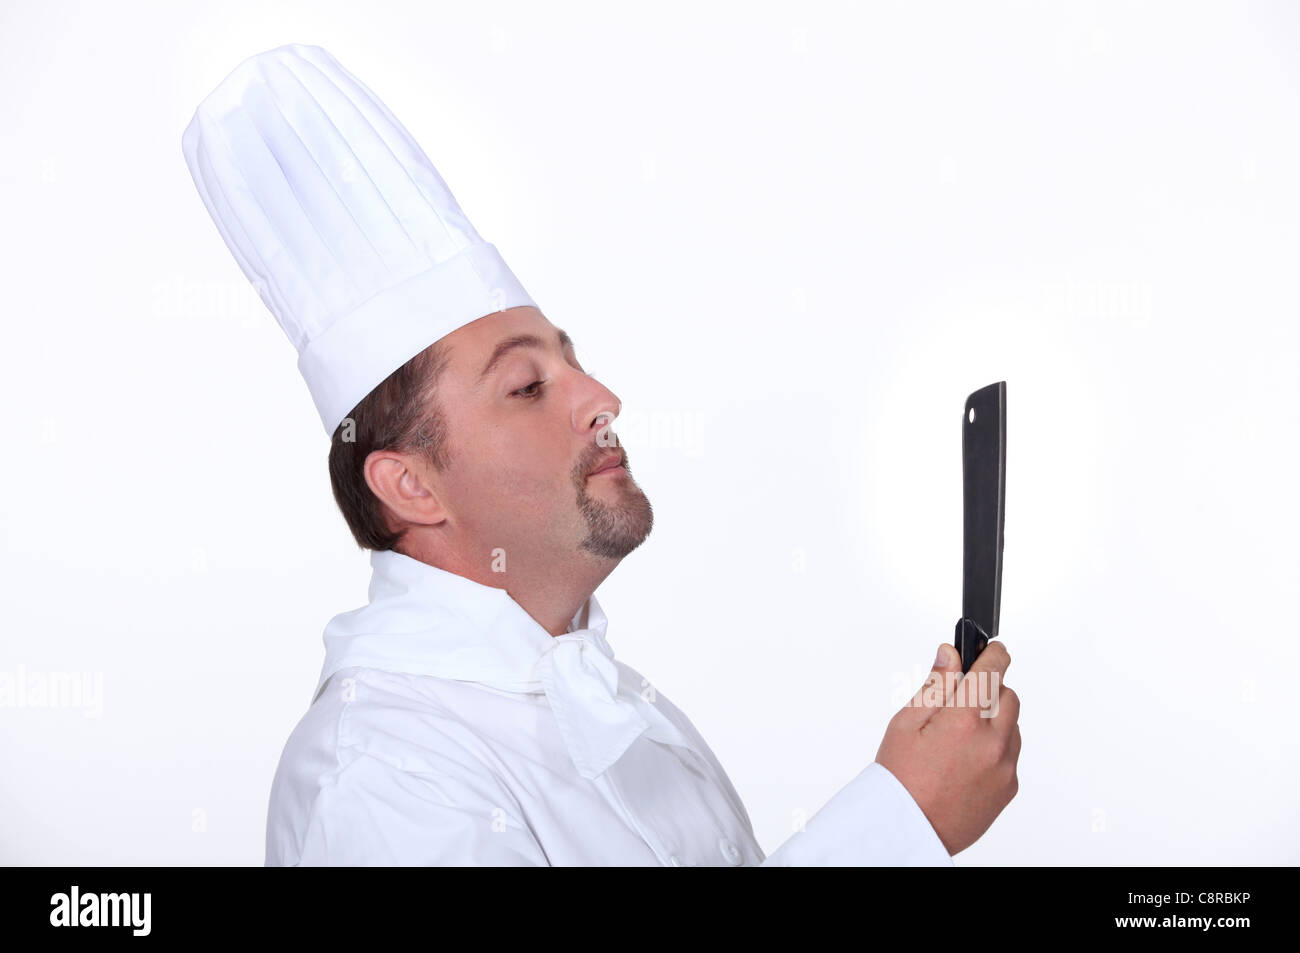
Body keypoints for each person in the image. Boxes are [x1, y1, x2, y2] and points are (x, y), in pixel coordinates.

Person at [182, 43, 1020, 866]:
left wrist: (914, 794)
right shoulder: (380, 781)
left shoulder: (615, 710)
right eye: (525, 385)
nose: (601, 400)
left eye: (571, 362)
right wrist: (898, 826)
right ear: (409, 484)